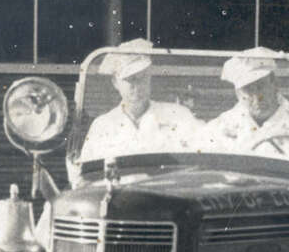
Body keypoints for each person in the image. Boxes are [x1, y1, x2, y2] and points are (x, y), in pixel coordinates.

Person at [72, 38, 201, 185]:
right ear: (115, 83)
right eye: (130, 79)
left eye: (142, 77)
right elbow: (85, 178)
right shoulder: (102, 125)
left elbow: (202, 163)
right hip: (122, 198)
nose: (137, 86)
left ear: (150, 77)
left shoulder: (179, 115)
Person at [200, 47, 289, 155]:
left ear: (274, 83)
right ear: (238, 93)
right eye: (248, 89)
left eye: (261, 86)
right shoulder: (217, 130)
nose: (257, 96)